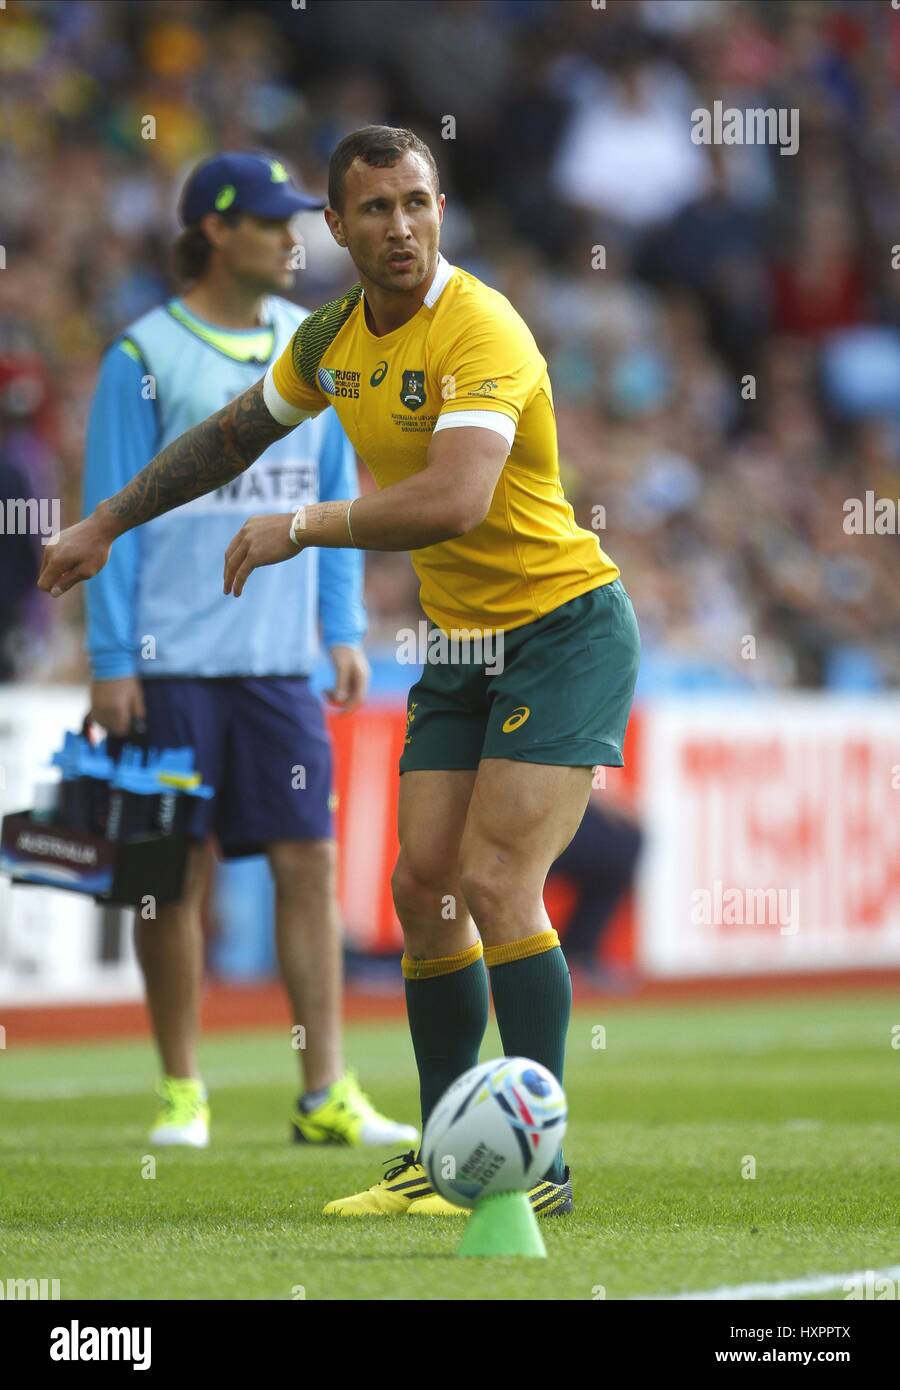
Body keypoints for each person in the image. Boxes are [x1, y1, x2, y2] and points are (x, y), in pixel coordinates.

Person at [39, 126, 641, 1215]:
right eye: (374, 209)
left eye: (416, 202)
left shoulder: (483, 326)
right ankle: (454, 1149)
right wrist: (107, 524)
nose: (400, 226)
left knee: (501, 881)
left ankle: (540, 1161)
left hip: (563, 626)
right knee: (422, 885)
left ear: (442, 208)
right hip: (463, 646)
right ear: (336, 227)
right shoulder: (331, 336)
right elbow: (227, 438)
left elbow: (456, 497)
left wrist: (304, 525)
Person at [81, 150, 416, 1152]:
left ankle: (324, 1089)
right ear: (216, 231)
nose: (293, 237)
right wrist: (112, 657)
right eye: (272, 222)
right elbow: (110, 513)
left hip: (278, 669)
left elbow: (332, 490)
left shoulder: (313, 346)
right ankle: (183, 1089)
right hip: (167, 663)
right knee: (165, 878)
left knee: (309, 862)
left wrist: (343, 626)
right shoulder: (141, 355)